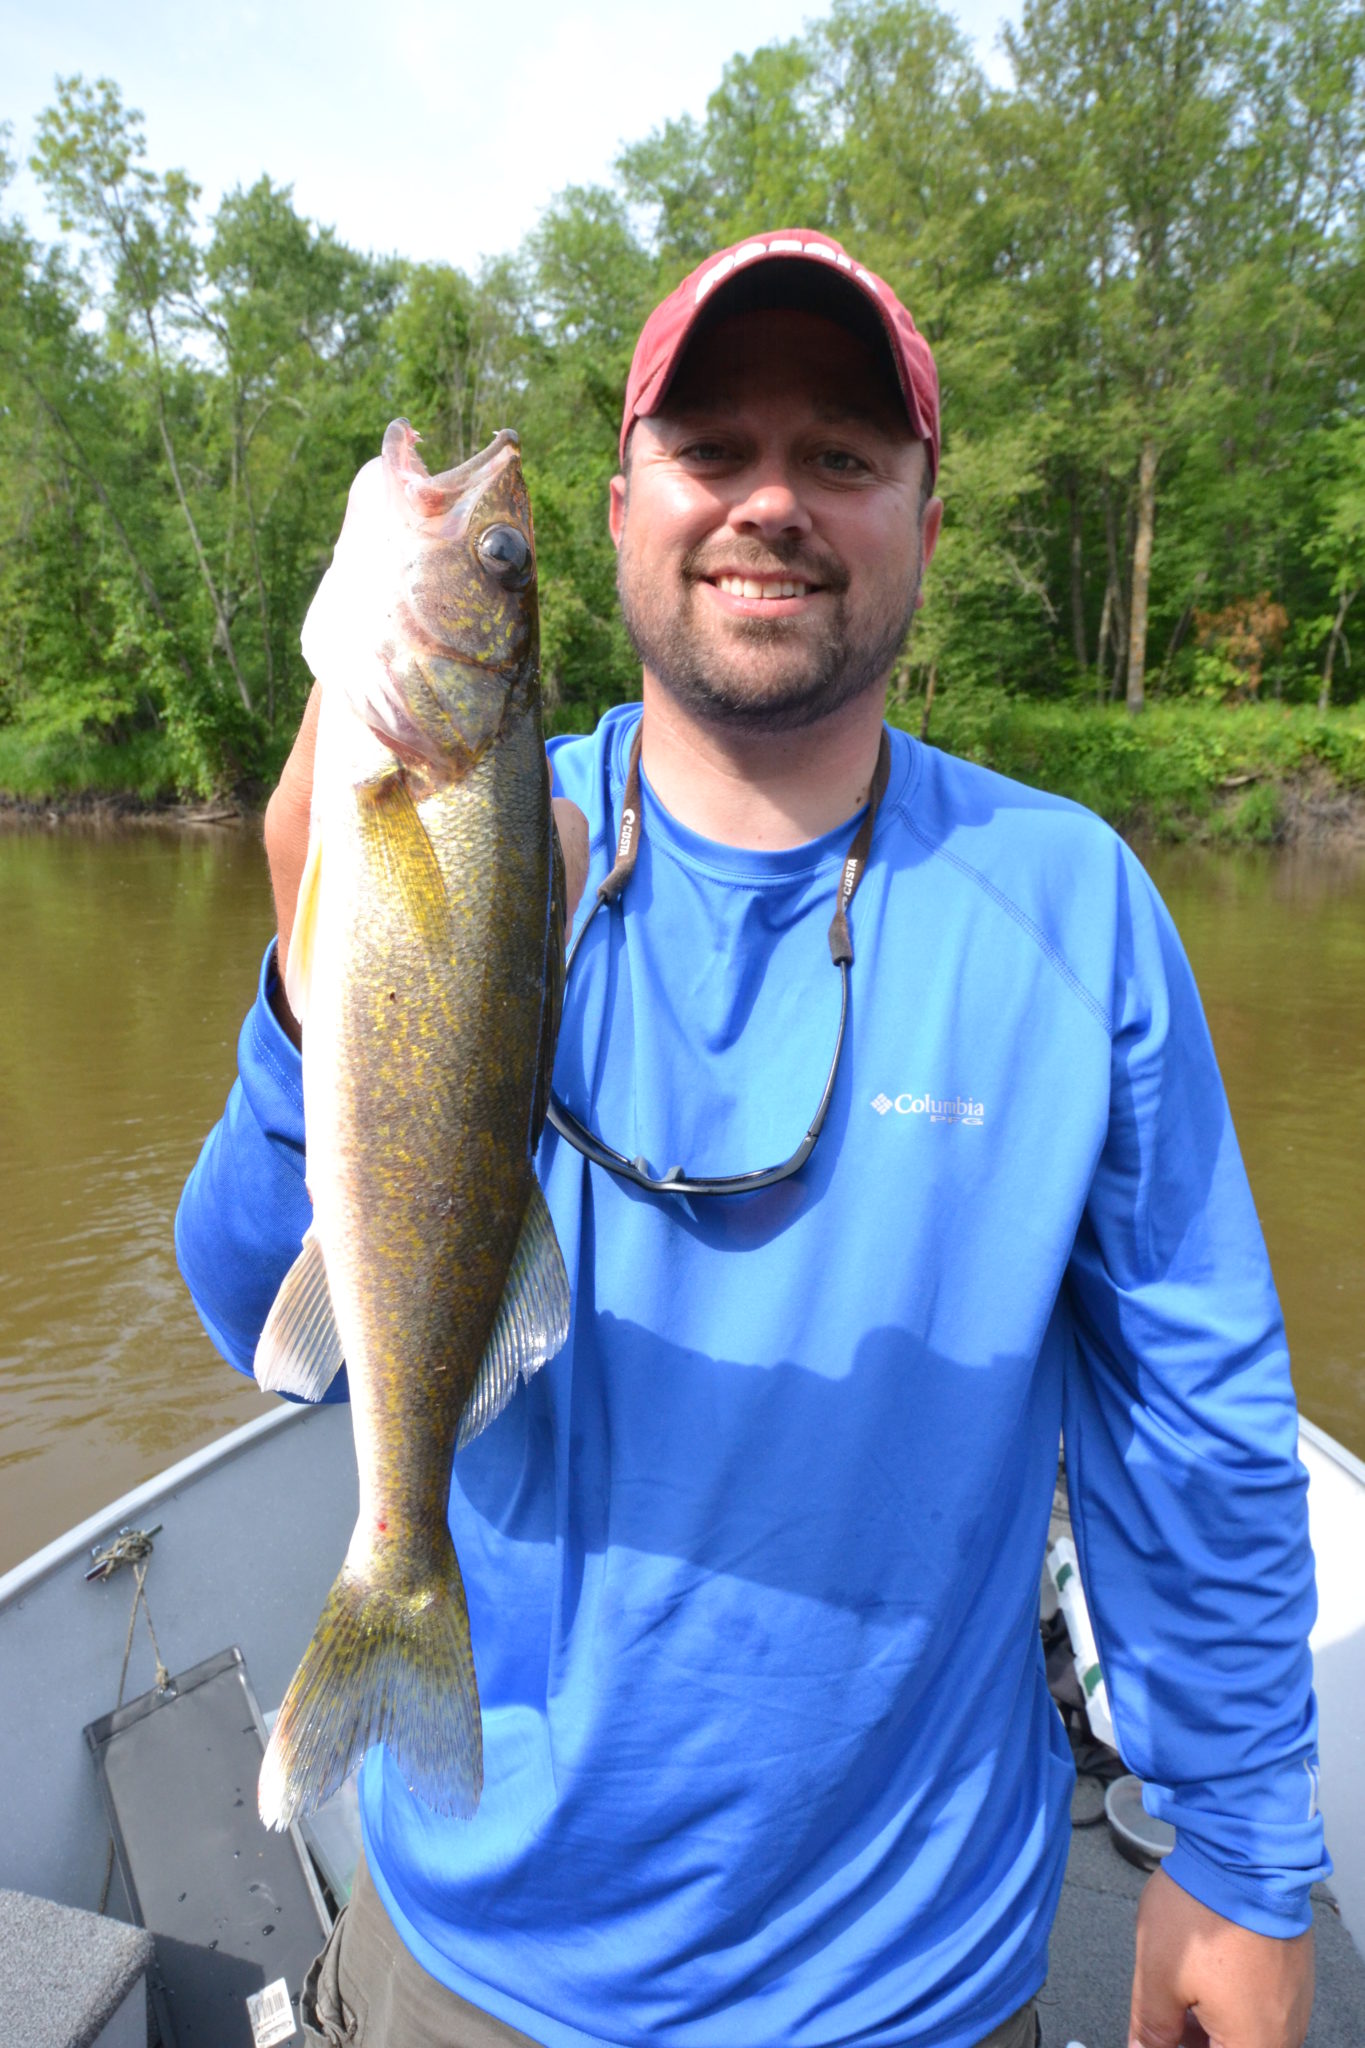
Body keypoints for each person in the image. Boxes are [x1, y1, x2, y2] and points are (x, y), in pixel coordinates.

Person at [176, 229, 1325, 2048]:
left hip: (917, 1983)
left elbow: (1194, 1418)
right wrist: (318, 987)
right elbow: (258, 1319)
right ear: (626, 501)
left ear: (927, 522)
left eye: (845, 459)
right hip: (475, 1962)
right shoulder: (500, 838)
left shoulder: (1071, 907)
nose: (770, 503)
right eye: (712, 449)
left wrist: (1246, 1856)